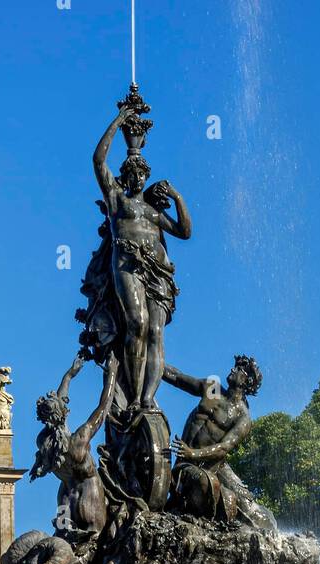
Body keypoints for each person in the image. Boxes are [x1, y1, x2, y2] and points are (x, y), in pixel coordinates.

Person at [89, 104, 192, 412]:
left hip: (156, 271)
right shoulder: (117, 200)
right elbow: (98, 159)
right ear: (127, 175)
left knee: (155, 332)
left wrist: (176, 196)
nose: (139, 180)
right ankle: (134, 397)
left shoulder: (151, 211)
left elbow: (185, 232)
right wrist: (120, 118)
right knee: (138, 324)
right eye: (135, 174)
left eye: (143, 176)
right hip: (126, 264)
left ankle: (146, 399)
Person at [164, 355, 276, 531]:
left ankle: (270, 534)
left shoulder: (242, 417)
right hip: (188, 461)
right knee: (208, 484)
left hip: (213, 463)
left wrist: (193, 452)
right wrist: (153, 360)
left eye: (239, 369)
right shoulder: (213, 389)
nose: (232, 370)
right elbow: (177, 377)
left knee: (252, 510)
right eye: (235, 367)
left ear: (247, 380)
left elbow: (224, 447)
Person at [31, 352, 119, 538]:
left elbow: (59, 401)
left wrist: (69, 376)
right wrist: (112, 374)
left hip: (64, 501)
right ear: (64, 414)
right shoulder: (79, 439)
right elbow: (103, 408)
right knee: (93, 542)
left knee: (63, 540)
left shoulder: (44, 443)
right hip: (89, 499)